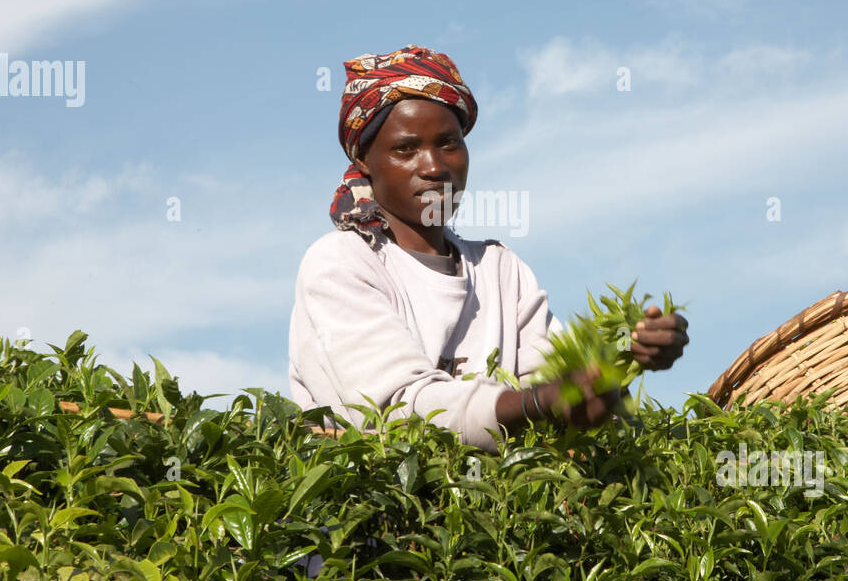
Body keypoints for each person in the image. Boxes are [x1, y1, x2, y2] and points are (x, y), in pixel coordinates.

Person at [287, 44, 687, 452]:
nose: (433, 166)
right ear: (365, 160)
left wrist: (624, 355)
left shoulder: (500, 269)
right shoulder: (340, 263)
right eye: (405, 149)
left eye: (448, 143)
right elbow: (398, 412)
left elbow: (555, 386)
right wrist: (539, 402)